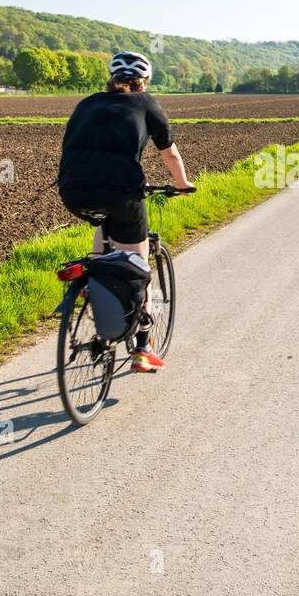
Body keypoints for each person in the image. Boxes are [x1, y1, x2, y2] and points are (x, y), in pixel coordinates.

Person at [58, 51, 193, 372]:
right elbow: (169, 153)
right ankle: (142, 350)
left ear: (111, 78)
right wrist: (183, 184)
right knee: (138, 265)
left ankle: (90, 287)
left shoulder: (86, 104)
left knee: (104, 234)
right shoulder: (147, 103)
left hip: (74, 190)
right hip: (122, 192)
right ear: (143, 81)